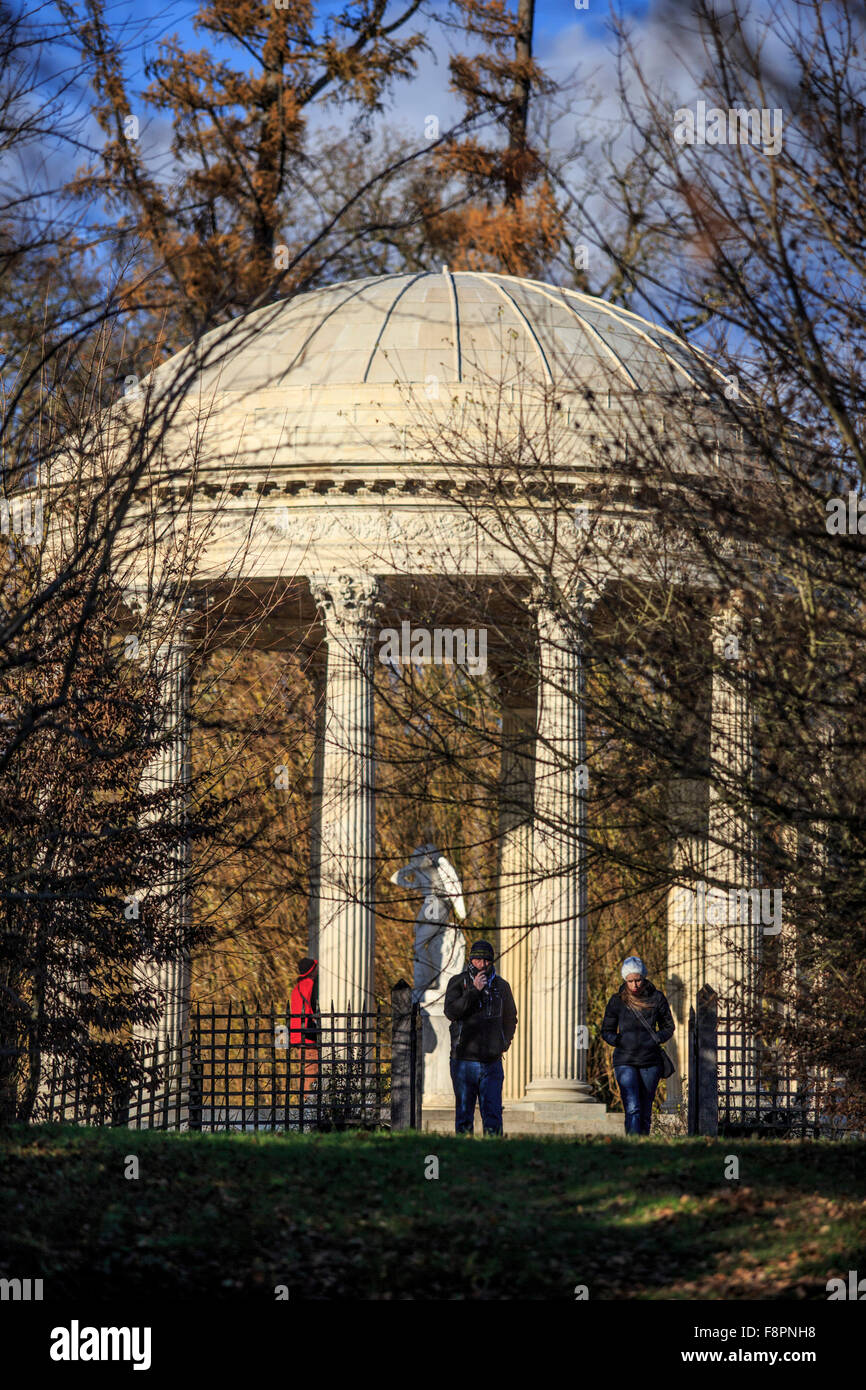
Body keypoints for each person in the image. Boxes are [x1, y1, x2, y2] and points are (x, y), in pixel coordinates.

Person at [444, 939, 517, 1136]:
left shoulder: (502, 986)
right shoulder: (458, 983)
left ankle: (492, 1155)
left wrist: (503, 1043)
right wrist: (473, 991)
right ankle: (464, 1157)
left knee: (493, 1114)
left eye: (485, 960)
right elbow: (451, 1012)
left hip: (492, 1062)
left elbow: (511, 1018)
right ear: (470, 960)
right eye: (477, 960)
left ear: (491, 962)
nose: (481, 964)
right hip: (463, 1061)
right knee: (465, 1114)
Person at [601, 955, 674, 1136]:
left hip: (651, 1061)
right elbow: (606, 1030)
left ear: (644, 977)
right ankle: (633, 1143)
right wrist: (618, 1040)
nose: (635, 985)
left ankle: (643, 1143)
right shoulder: (617, 1001)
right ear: (625, 980)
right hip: (625, 1060)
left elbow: (668, 1026)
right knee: (632, 1106)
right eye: (630, 981)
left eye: (638, 980)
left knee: (645, 1107)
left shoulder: (657, 998)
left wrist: (656, 1038)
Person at [289, 957, 319, 1092]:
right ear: (312, 970)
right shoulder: (310, 985)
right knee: (311, 1073)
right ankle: (309, 1106)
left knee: (305, 1072)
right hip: (307, 1036)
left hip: (297, 1035)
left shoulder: (297, 988)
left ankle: (306, 1101)